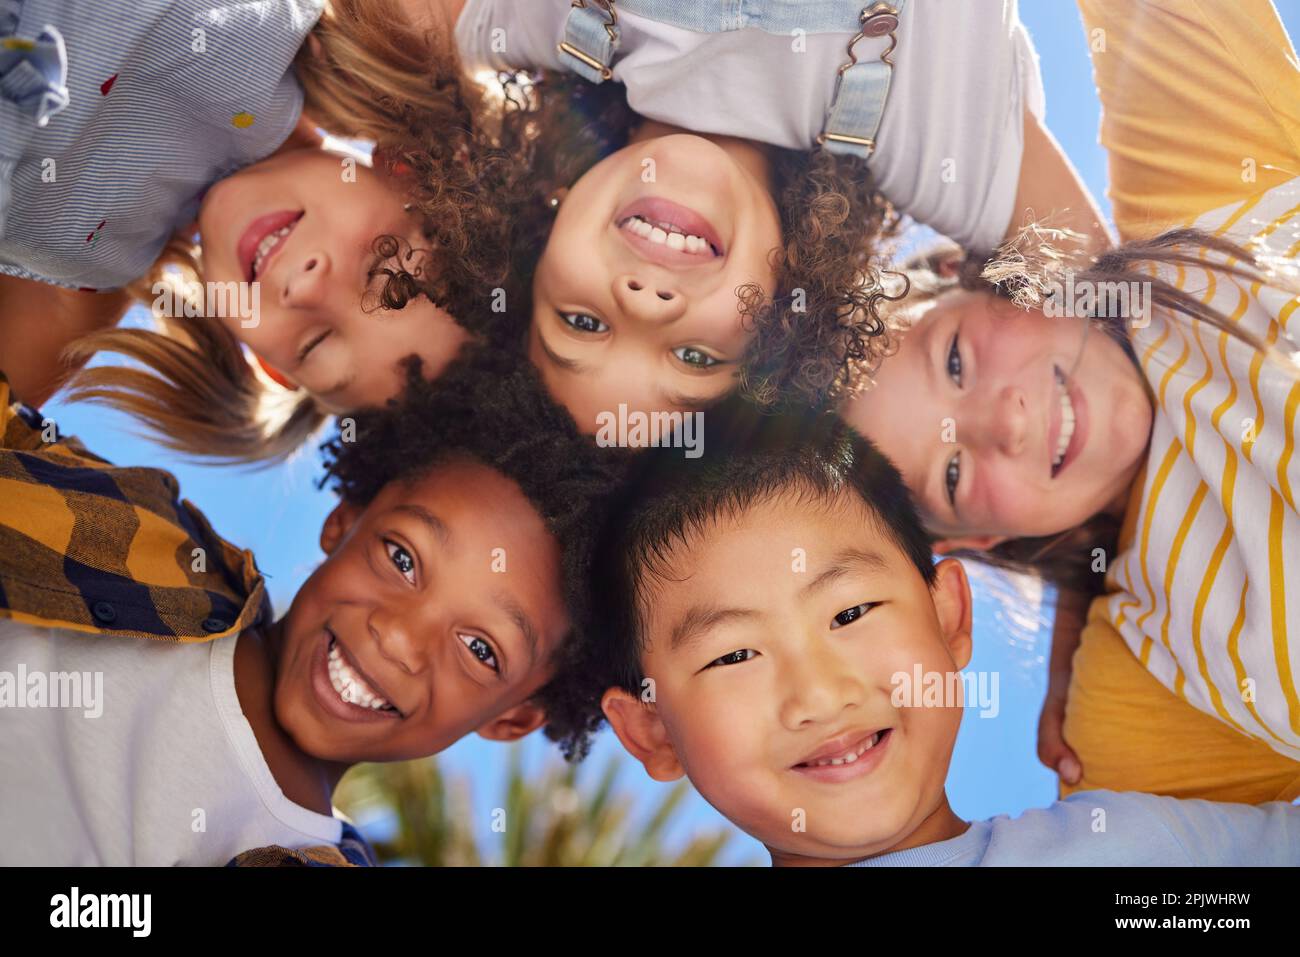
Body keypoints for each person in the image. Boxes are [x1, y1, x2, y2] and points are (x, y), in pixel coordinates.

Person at [588, 404, 1300, 865]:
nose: (820, 692)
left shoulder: (1139, 856)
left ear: (950, 616)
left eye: (850, 613)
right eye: (735, 653)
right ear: (651, 728)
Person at [0, 344, 626, 864]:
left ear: (512, 718)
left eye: (480, 649)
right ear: (344, 522)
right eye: (402, 560)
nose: (400, 638)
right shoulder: (143, 536)